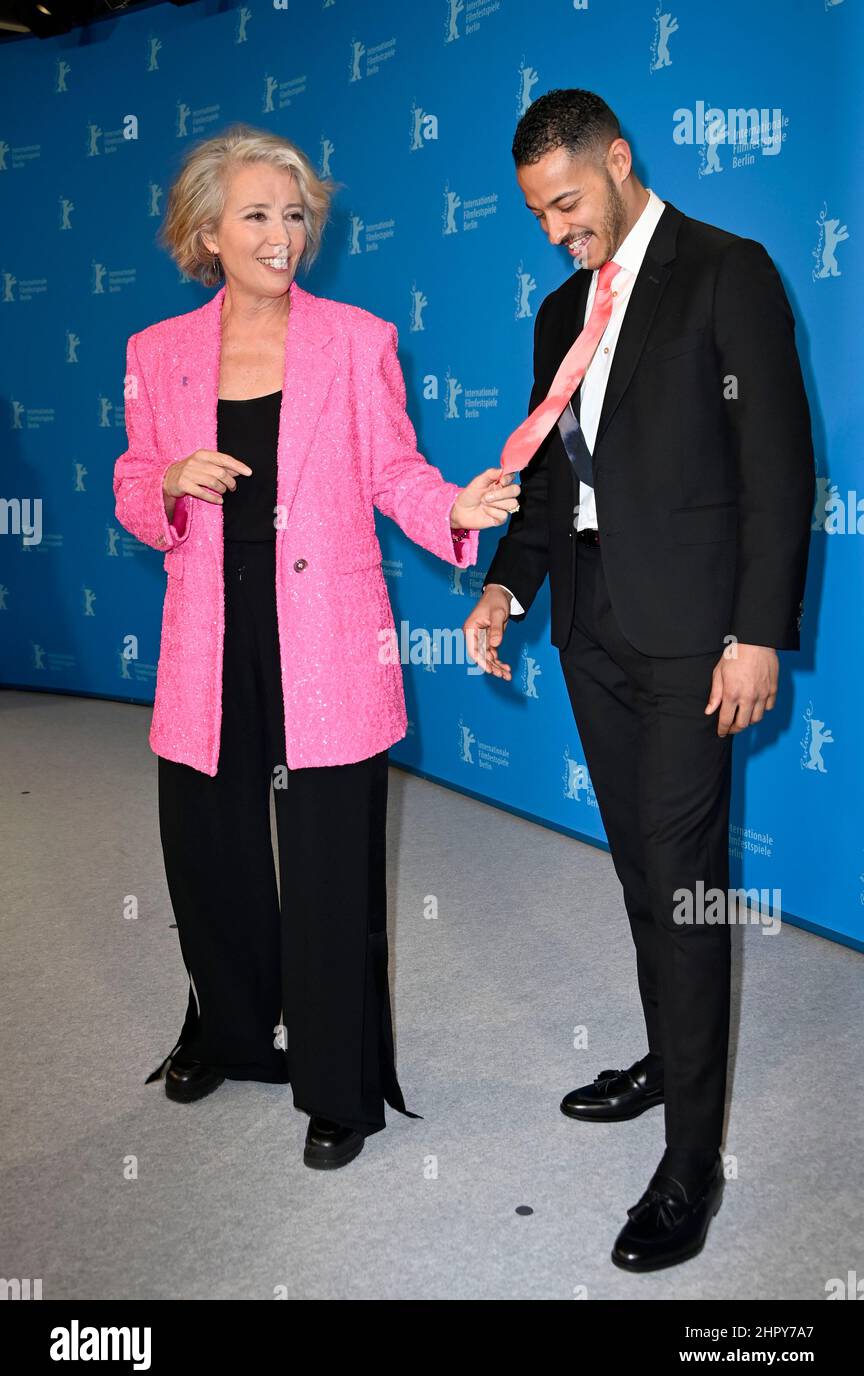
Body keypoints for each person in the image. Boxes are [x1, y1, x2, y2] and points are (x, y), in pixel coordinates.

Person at [113, 123, 519, 1170]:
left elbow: (396, 472)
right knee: (210, 849)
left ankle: (339, 1083)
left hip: (327, 627)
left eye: (295, 214)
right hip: (210, 624)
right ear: (208, 231)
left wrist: (455, 510)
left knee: (334, 861)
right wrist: (163, 484)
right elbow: (131, 479)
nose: (283, 233)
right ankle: (234, 1028)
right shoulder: (156, 354)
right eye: (257, 214)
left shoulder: (356, 339)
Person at [464, 89, 814, 1270]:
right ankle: (672, 1055)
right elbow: (552, 477)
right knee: (639, 866)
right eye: (538, 213)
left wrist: (758, 631)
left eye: (568, 201)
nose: (557, 229)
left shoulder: (729, 270)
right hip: (594, 619)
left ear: (618, 161)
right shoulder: (564, 306)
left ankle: (692, 1163)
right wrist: (509, 586)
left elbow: (778, 466)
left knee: (687, 878)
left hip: (697, 634)